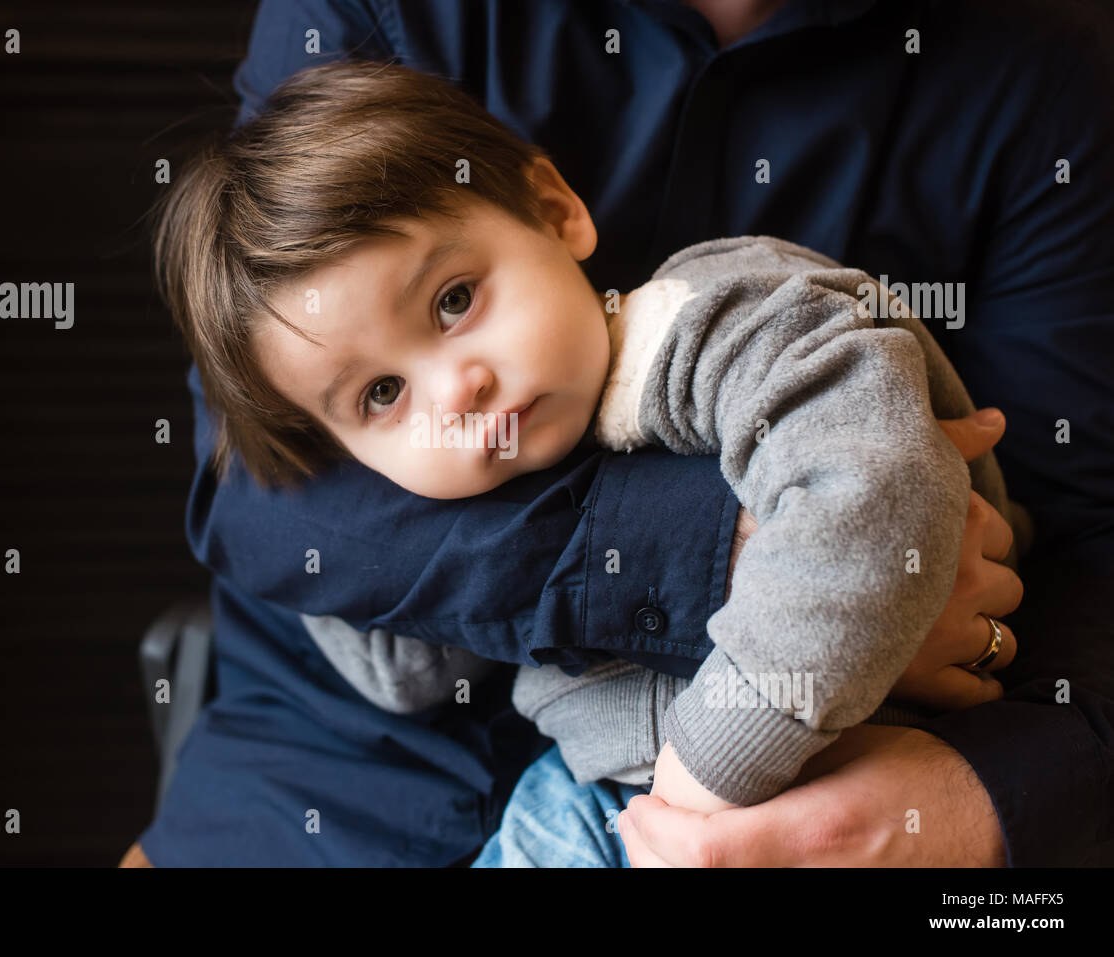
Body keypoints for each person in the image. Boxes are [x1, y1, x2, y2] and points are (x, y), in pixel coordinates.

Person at [126, 0, 1113, 867]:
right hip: (331, 775)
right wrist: (705, 557)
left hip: (733, 786)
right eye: (381, 392)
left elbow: (924, 495)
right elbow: (267, 487)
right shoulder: (374, 20)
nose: (457, 387)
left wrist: (722, 773)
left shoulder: (721, 318)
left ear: (557, 210)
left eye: (457, 299)